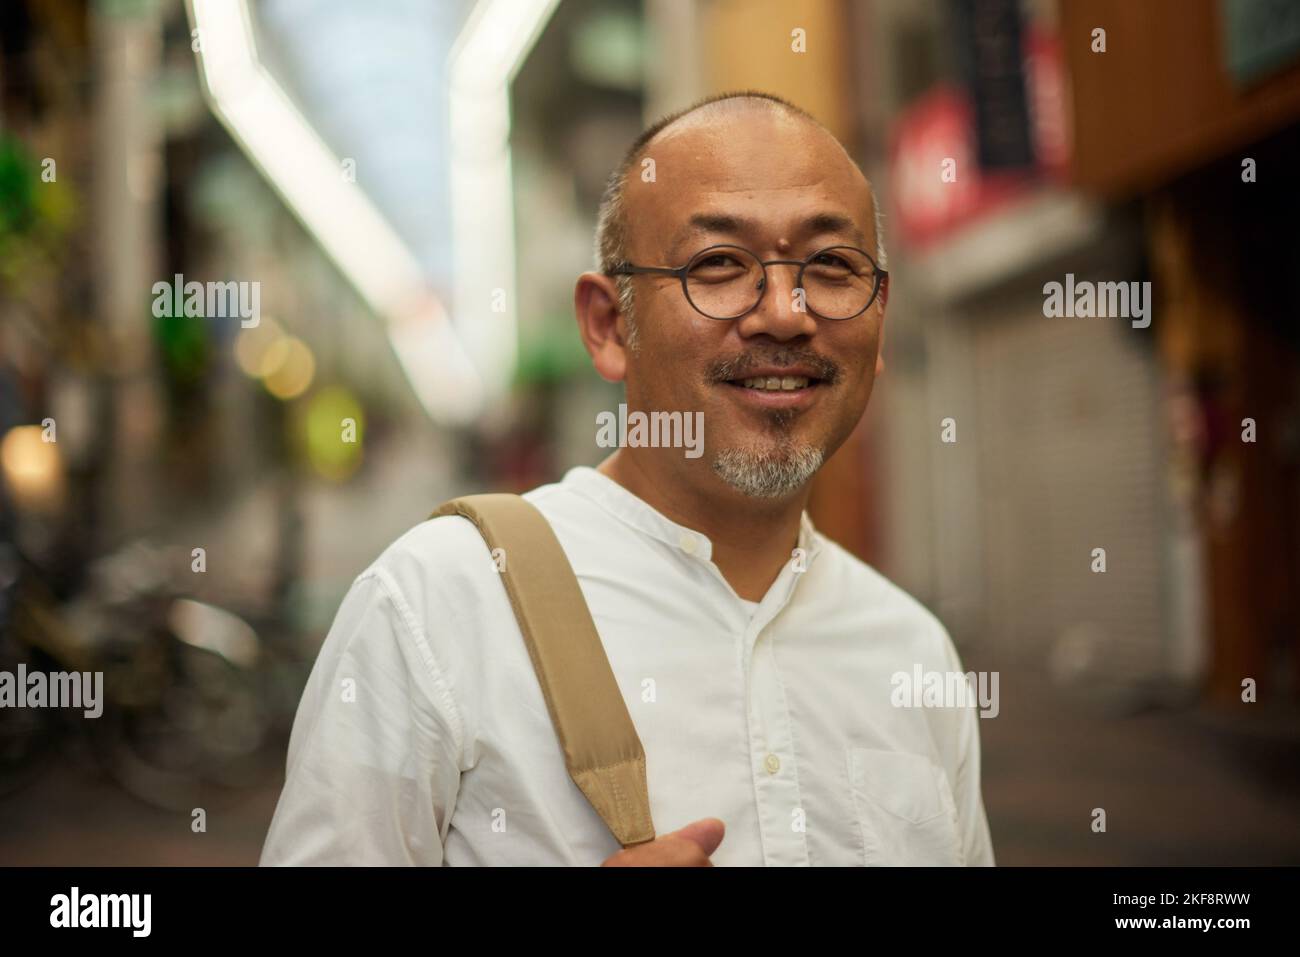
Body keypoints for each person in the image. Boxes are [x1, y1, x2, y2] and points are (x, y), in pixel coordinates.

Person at [260, 90, 995, 867]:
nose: (785, 312)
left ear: (880, 318)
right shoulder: (438, 603)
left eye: (834, 266)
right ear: (609, 324)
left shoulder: (914, 652)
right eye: (719, 264)